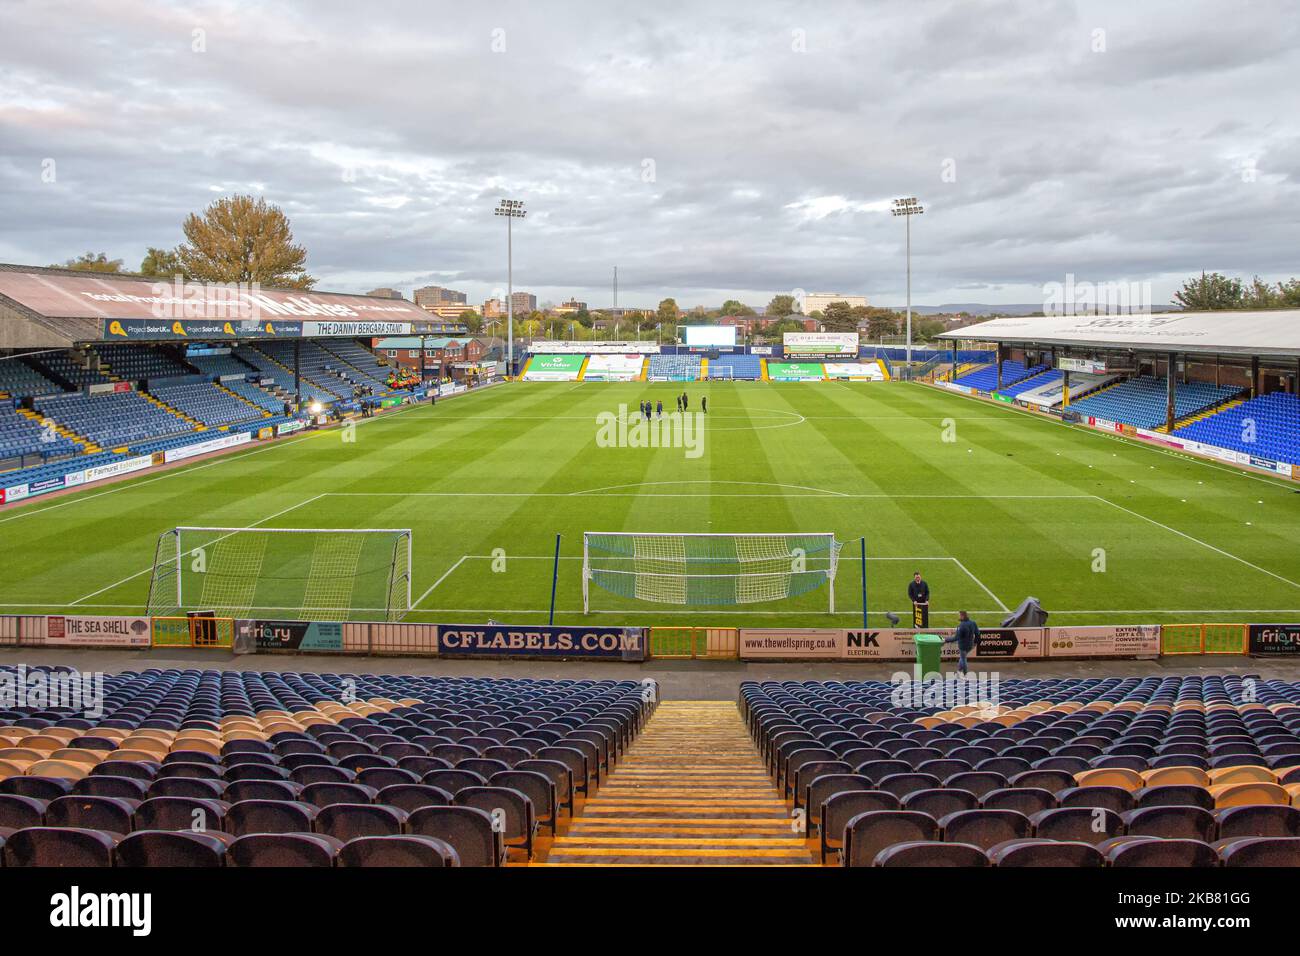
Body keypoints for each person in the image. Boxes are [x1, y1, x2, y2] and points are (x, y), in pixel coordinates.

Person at [944, 610, 980, 676]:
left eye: (959, 615)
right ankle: (959, 671)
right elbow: (977, 634)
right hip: (970, 645)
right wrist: (975, 643)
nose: (958, 617)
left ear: (962, 616)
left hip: (963, 646)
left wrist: (945, 640)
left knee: (963, 659)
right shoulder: (973, 623)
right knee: (962, 657)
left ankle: (965, 674)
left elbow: (955, 638)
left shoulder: (961, 626)